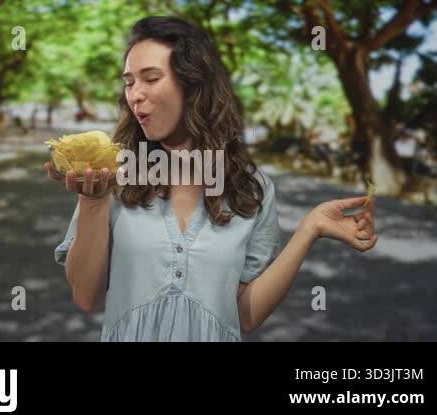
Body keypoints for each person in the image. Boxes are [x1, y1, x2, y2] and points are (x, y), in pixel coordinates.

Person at [44, 16, 378, 342]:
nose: (135, 95)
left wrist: (310, 230)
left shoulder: (253, 189)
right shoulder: (113, 174)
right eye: (129, 82)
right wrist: (93, 200)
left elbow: (246, 316)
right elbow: (86, 296)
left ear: (192, 84)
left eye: (151, 78)